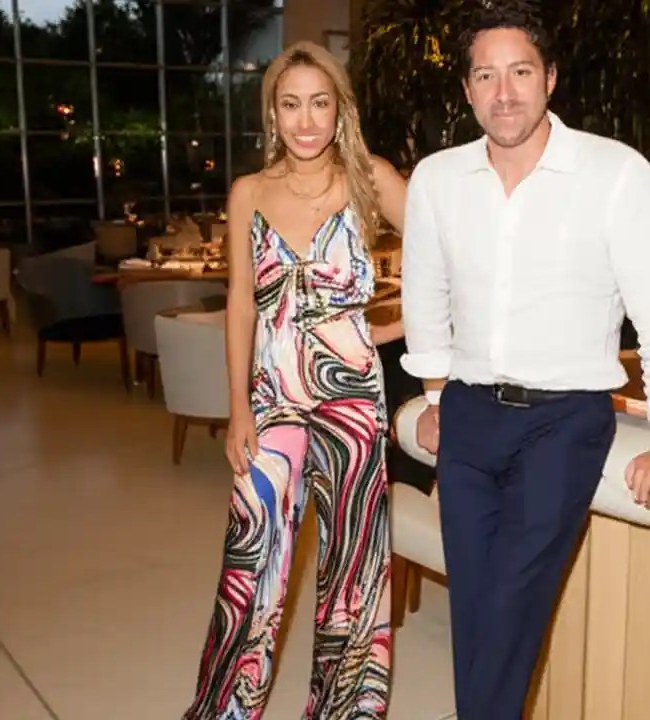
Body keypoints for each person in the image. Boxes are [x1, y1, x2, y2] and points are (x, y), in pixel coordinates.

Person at [399, 4, 650, 717]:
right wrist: (435, 394)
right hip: (471, 416)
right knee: (479, 609)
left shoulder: (615, 174)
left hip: (565, 423)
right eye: (486, 75)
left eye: (519, 72)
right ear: (467, 90)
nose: (503, 92)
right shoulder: (437, 180)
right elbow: (424, 293)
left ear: (550, 78)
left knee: (509, 602)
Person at [183, 40, 407, 720]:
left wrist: (380, 335)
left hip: (353, 403)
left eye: (319, 102)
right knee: (250, 563)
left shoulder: (372, 176)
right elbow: (242, 302)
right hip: (275, 399)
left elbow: (450, 262)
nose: (305, 121)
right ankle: (225, 710)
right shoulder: (249, 192)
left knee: (351, 572)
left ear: (340, 108)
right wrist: (237, 409)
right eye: (290, 105)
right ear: (271, 115)